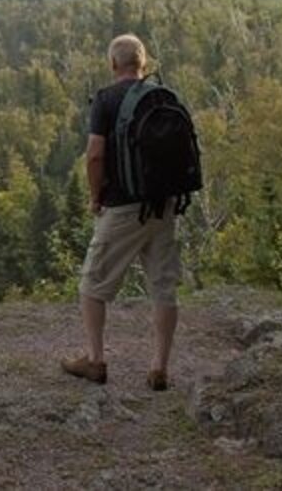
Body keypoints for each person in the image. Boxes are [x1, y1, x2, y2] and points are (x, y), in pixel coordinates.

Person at [60, 33, 180, 391]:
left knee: (93, 284)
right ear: (143, 63)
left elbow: (95, 154)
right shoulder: (164, 96)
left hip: (123, 207)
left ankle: (95, 360)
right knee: (163, 287)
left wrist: (96, 197)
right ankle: (159, 368)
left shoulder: (106, 99)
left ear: (114, 65)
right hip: (164, 204)